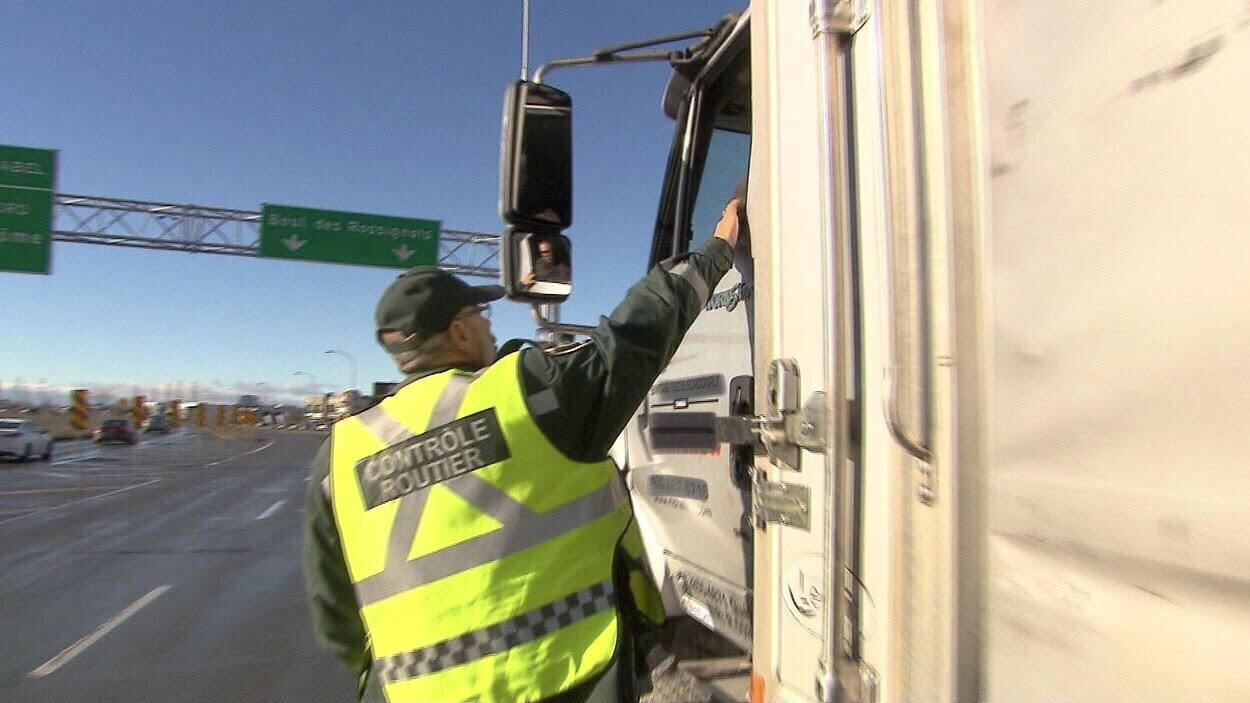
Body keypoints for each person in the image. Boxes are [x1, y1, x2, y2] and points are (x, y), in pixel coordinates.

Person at [303, 199, 743, 703]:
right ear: (459, 331)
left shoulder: (337, 457)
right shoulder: (529, 395)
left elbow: (335, 613)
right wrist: (718, 248)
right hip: (570, 679)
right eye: (479, 313)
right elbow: (637, 332)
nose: (489, 325)